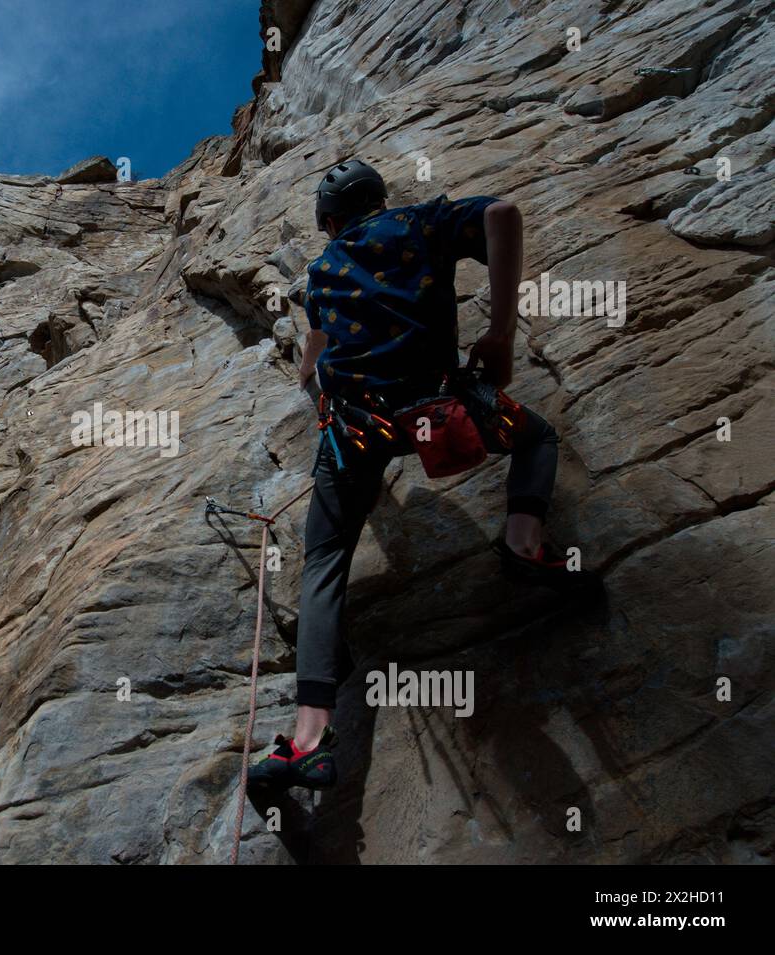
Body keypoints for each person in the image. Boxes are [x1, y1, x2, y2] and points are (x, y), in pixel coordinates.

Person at [248, 159, 596, 791]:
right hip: (443, 405)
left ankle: (307, 741)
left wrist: (321, 388)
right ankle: (523, 544)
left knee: (326, 559)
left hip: (358, 429)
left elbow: (310, 368)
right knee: (536, 438)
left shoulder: (323, 272)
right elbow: (502, 214)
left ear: (329, 223)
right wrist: (500, 334)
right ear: (379, 199)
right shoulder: (420, 223)